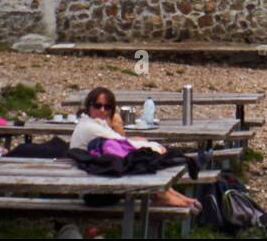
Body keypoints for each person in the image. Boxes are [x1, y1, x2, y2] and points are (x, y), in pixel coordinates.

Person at [70, 87, 200, 214]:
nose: (102, 110)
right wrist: (154, 146)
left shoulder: (92, 124)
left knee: (136, 161)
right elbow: (125, 143)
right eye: (97, 106)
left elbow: (121, 143)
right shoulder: (90, 127)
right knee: (139, 161)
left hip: (97, 177)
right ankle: (161, 195)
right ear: (89, 106)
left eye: (107, 107)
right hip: (93, 190)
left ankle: (165, 193)